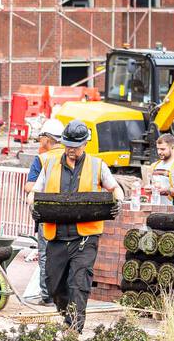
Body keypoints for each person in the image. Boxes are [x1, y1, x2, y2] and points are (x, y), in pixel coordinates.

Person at [30, 119, 125, 330]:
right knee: (53, 286)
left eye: (75, 146)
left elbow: (115, 188)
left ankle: (74, 328)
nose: (71, 150)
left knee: (79, 283)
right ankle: (67, 315)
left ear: (84, 144)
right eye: (68, 145)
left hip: (85, 237)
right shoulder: (50, 164)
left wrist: (118, 201)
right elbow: (34, 192)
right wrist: (32, 207)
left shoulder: (97, 165)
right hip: (56, 236)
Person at [22, 117, 65, 305]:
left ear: (47, 139)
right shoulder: (73, 156)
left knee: (46, 255)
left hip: (47, 214)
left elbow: (30, 186)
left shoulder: (42, 159)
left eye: (41, 138)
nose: (40, 142)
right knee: (65, 254)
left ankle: (47, 296)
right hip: (69, 214)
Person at [148, 133, 174, 207]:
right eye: (158, 149)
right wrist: (149, 189)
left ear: (172, 148)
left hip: (172, 213)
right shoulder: (154, 166)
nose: (159, 152)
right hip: (155, 210)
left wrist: (166, 190)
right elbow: (153, 187)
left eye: (163, 149)